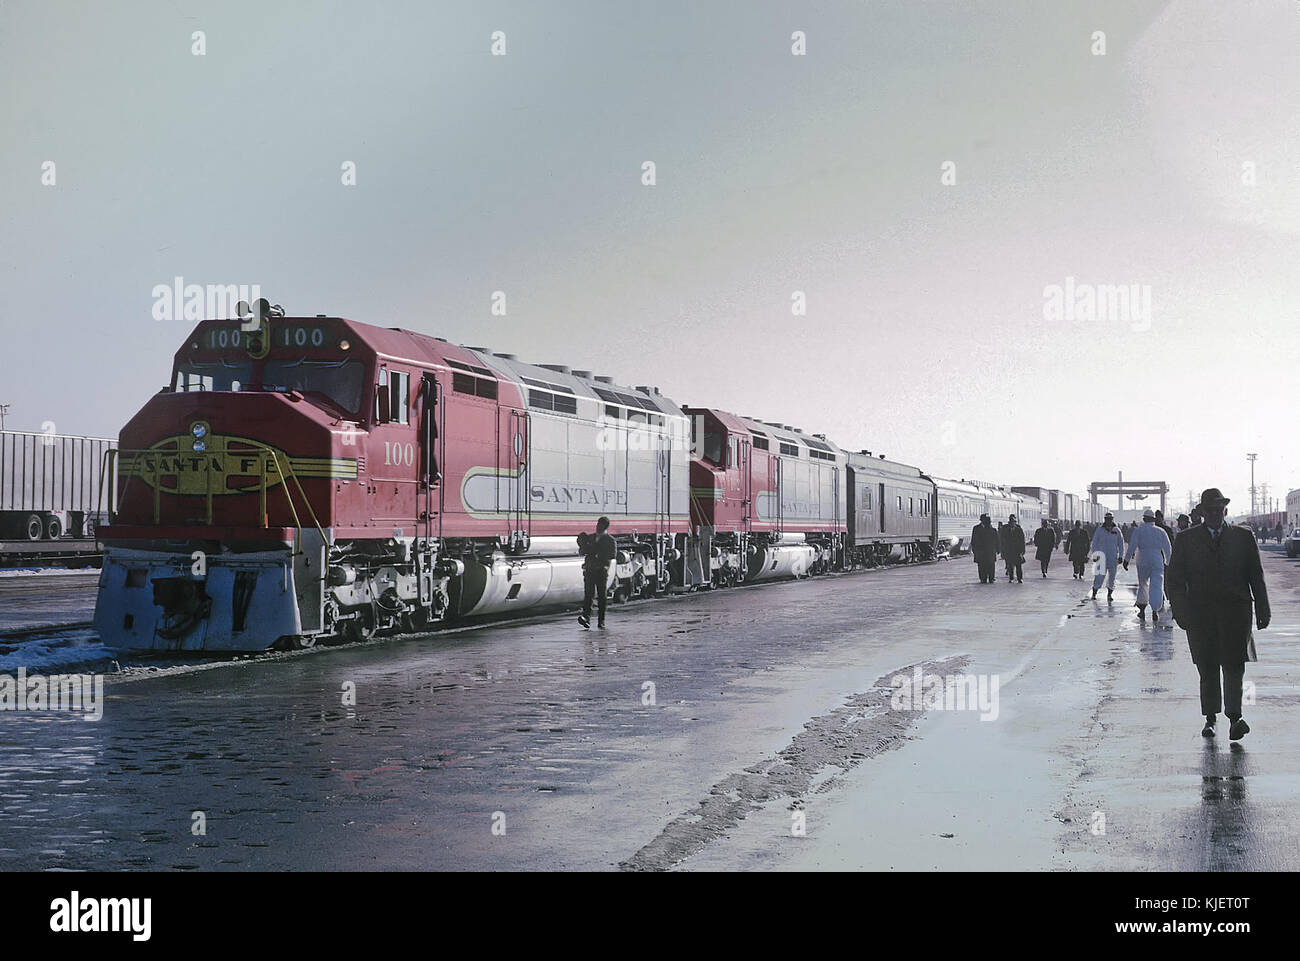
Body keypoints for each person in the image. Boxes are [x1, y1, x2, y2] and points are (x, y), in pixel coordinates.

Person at [1166, 488, 1270, 740]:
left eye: (1219, 509)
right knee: (1208, 666)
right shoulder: (1186, 540)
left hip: (1236, 613)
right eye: (1209, 510)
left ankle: (1235, 718)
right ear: (1202, 513)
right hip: (1200, 616)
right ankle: (1210, 718)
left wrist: (1263, 608)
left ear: (1225, 510)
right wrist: (1180, 612)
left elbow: (1256, 575)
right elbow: (1175, 580)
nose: (1214, 514)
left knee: (1235, 666)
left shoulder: (1243, 537)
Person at [1123, 508, 1173, 624]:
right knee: (1156, 585)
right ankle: (1155, 610)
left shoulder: (1138, 531)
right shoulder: (1161, 531)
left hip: (1143, 559)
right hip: (1157, 560)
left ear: (1144, 519)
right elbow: (1168, 548)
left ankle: (1142, 609)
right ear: (1154, 519)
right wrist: (1168, 562)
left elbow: (1132, 546)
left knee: (1143, 584)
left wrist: (1126, 560)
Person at [577, 516, 617, 629]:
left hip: (601, 571)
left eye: (600, 525)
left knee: (601, 596)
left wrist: (602, 561)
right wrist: (582, 545)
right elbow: (582, 551)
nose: (598, 526)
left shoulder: (610, 540)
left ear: (605, 526)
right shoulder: (590, 538)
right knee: (588, 594)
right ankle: (586, 618)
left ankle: (601, 621)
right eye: (598, 524)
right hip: (590, 569)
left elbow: (612, 555)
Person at [1090, 512, 1124, 601]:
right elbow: (1094, 543)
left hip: (1113, 558)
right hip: (1101, 557)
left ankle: (1109, 595)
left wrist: (1121, 556)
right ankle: (1094, 593)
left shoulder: (1116, 530)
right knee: (1099, 577)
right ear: (1105, 519)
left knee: (1112, 578)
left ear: (1112, 519)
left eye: (1110, 519)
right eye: (1107, 519)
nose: (1108, 521)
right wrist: (1094, 554)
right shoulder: (1100, 530)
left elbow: (1121, 544)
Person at [971, 514, 999, 584]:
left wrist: (998, 549)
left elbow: (997, 540)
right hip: (981, 552)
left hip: (990, 551)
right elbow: (973, 540)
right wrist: (974, 550)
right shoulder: (976, 529)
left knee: (991, 565)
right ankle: (983, 578)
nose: (988, 522)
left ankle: (991, 578)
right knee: (981, 565)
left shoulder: (993, 530)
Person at [1000, 513, 1026, 582]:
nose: (1012, 524)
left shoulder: (1019, 530)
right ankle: (1011, 578)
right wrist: (1003, 551)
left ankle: (1019, 578)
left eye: (1013, 522)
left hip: (1017, 551)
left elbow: (1022, 541)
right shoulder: (1005, 530)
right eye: (1011, 522)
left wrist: (1022, 551)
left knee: (1018, 566)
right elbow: (1003, 541)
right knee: (1010, 565)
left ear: (1015, 523)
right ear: (1009, 523)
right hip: (1009, 551)